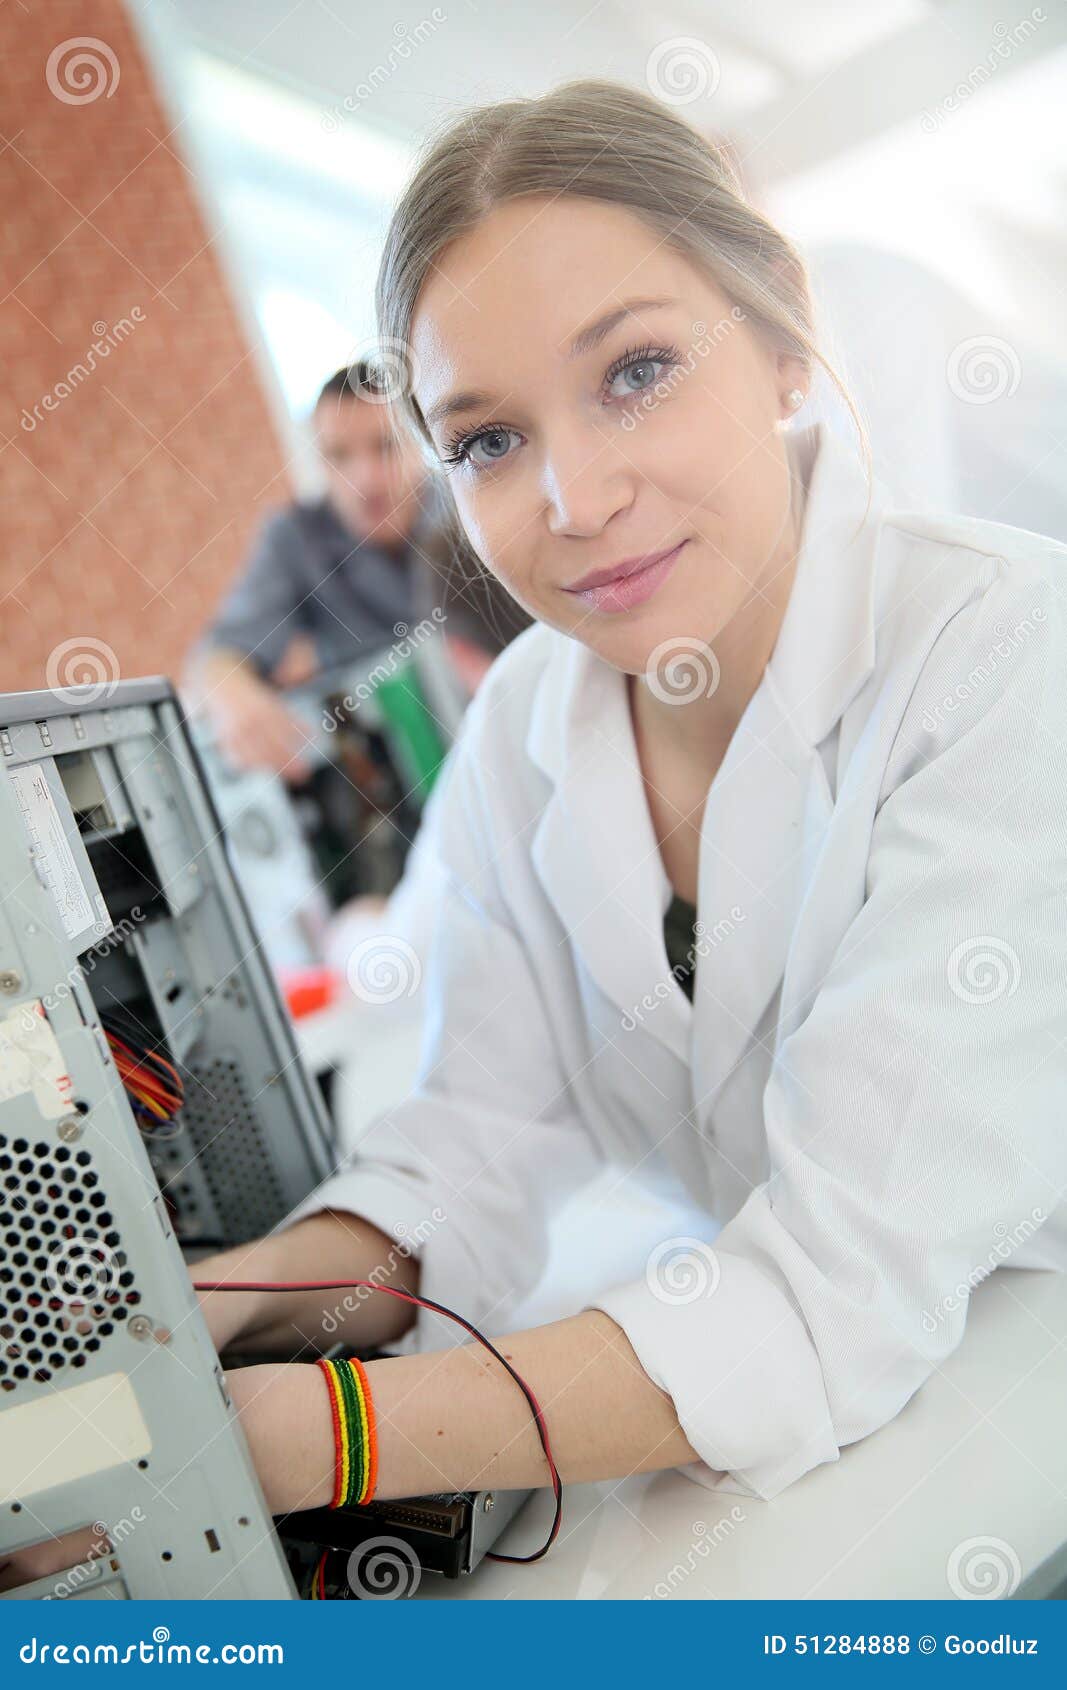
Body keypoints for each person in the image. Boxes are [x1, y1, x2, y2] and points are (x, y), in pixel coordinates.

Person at [8, 77, 1067, 1588]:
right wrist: (220, 1305)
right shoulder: (525, 728)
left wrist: (282, 1443)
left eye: (634, 368)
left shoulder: (1003, 655)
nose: (576, 496)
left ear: (777, 338)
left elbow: (833, 1290)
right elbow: (471, 1153)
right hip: (824, 1429)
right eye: (489, 439)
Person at [183, 362, 528, 782]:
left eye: (385, 446)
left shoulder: (473, 502)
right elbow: (218, 655)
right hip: (389, 785)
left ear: (421, 442)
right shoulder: (296, 538)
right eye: (338, 456)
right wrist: (231, 694)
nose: (364, 479)